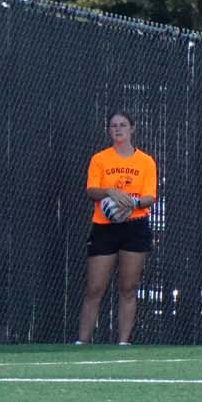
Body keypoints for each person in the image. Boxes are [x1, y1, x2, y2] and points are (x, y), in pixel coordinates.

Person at [76, 111, 158, 346]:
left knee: (128, 287)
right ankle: (82, 342)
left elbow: (150, 197)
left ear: (132, 128)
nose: (118, 129)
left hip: (134, 226)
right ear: (109, 130)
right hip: (105, 227)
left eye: (123, 125)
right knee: (95, 288)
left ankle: (123, 343)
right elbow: (92, 191)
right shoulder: (100, 159)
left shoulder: (146, 162)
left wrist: (131, 203)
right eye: (114, 126)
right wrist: (110, 192)